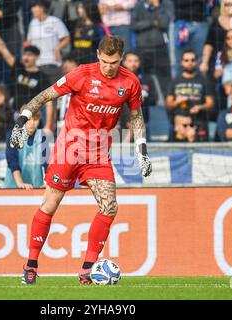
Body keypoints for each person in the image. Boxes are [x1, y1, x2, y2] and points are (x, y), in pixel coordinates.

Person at [9, 35, 152, 285]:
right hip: (69, 149)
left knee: (110, 206)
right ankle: (31, 265)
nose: (109, 67)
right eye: (106, 61)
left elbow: (136, 117)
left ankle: (87, 268)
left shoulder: (130, 82)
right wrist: (22, 118)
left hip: (98, 155)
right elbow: (45, 96)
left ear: (121, 59)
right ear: (98, 54)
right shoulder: (81, 74)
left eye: (115, 62)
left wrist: (142, 150)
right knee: (50, 204)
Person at [0, 20, 54, 134]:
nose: (25, 57)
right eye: (24, 54)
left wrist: (48, 126)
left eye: (29, 55)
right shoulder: (18, 68)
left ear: (36, 57)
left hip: (33, 118)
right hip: (14, 115)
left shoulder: (42, 77)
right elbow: (2, 49)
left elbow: (49, 103)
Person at [166, 49, 214, 141]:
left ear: (197, 62)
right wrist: (176, 102)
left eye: (192, 60)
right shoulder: (175, 81)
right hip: (179, 122)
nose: (190, 63)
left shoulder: (203, 81)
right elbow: (168, 104)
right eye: (186, 60)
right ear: (181, 62)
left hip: (199, 121)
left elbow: (211, 103)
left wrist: (199, 107)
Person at [131, 0, 172, 96]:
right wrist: (152, 22)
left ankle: (170, 109)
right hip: (142, 49)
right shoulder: (139, 5)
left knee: (166, 85)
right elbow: (133, 25)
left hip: (160, 49)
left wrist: (157, 6)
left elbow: (164, 23)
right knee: (142, 84)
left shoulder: (166, 4)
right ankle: (144, 108)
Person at [200, 0, 232, 76]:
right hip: (217, 63)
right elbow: (209, 44)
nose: (230, 7)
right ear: (222, 6)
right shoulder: (215, 23)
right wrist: (204, 62)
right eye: (227, 4)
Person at [26, 0, 70, 83]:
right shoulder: (32, 23)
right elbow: (29, 43)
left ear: (42, 8)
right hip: (37, 65)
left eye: (35, 6)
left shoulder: (55, 21)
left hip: (52, 63)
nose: (32, 9)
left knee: (54, 92)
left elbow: (66, 38)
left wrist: (58, 48)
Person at [5, 108, 48, 189]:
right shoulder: (14, 134)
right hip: (14, 186)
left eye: (35, 119)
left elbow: (45, 163)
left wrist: (48, 182)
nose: (32, 123)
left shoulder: (42, 136)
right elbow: (12, 161)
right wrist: (20, 183)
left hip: (35, 186)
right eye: (28, 120)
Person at [120, 51, 157, 141]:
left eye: (136, 61)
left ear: (140, 62)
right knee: (120, 152)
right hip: (121, 124)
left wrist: (143, 100)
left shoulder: (147, 79)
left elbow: (154, 99)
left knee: (142, 151)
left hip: (143, 121)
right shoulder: (118, 79)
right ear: (124, 62)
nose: (133, 64)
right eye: (130, 61)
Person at [172, 0, 213, 77]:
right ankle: (176, 86)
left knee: (200, 60)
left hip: (201, 23)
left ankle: (202, 86)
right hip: (180, 24)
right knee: (178, 61)